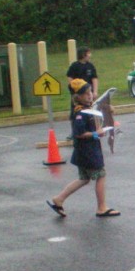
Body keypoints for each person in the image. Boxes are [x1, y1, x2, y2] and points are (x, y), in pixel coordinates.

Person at [47, 79, 120, 218]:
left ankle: (59, 199)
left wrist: (108, 111)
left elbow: (98, 117)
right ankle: (101, 207)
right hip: (88, 151)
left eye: (90, 92)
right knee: (100, 175)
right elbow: (78, 133)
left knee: (84, 178)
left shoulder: (87, 109)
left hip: (86, 151)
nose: (90, 95)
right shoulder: (80, 113)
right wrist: (94, 134)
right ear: (77, 97)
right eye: (85, 94)